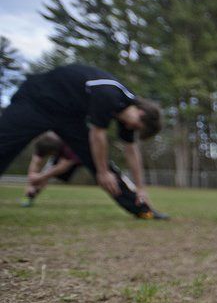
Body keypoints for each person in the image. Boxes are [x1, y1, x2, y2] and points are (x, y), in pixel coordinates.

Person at [0, 64, 165, 219]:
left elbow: (131, 150)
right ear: (141, 113)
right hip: (36, 100)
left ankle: (142, 210)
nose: (131, 128)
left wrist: (140, 187)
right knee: (4, 145)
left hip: (68, 116)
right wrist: (102, 173)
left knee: (99, 161)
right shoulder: (109, 93)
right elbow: (97, 134)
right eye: (137, 127)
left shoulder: (126, 111)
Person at [20, 131, 167, 219]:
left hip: (91, 155)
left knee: (113, 179)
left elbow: (64, 166)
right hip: (65, 158)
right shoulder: (44, 143)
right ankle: (30, 195)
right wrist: (31, 181)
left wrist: (41, 177)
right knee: (44, 173)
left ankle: (143, 209)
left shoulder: (68, 143)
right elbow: (35, 163)